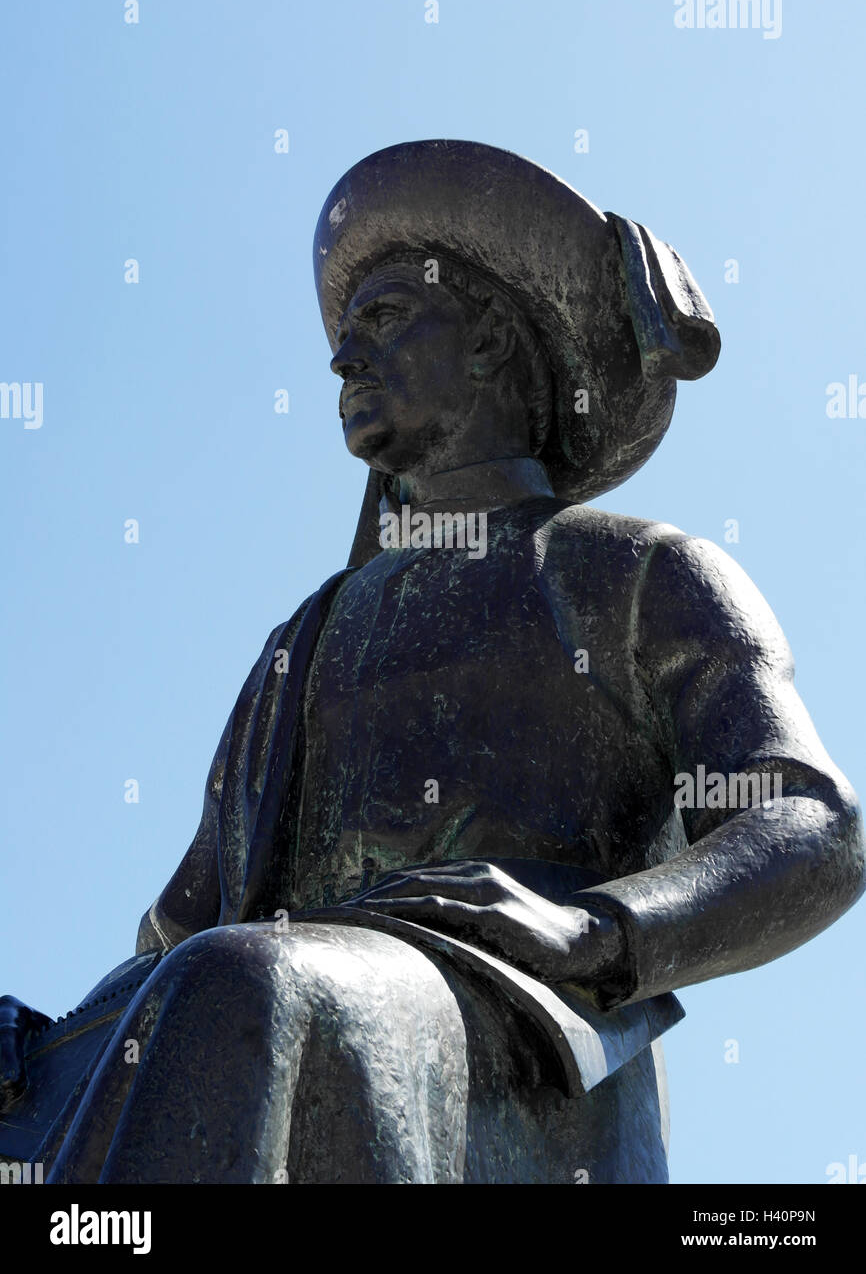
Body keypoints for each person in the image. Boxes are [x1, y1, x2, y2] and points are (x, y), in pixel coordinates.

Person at [3, 140, 863, 1184]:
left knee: (244, 987)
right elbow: (175, 936)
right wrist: (46, 1045)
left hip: (519, 1033)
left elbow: (815, 826)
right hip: (290, 1007)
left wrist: (597, 928)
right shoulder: (303, 644)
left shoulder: (632, 570)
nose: (341, 359)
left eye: (383, 318)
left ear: (492, 339)